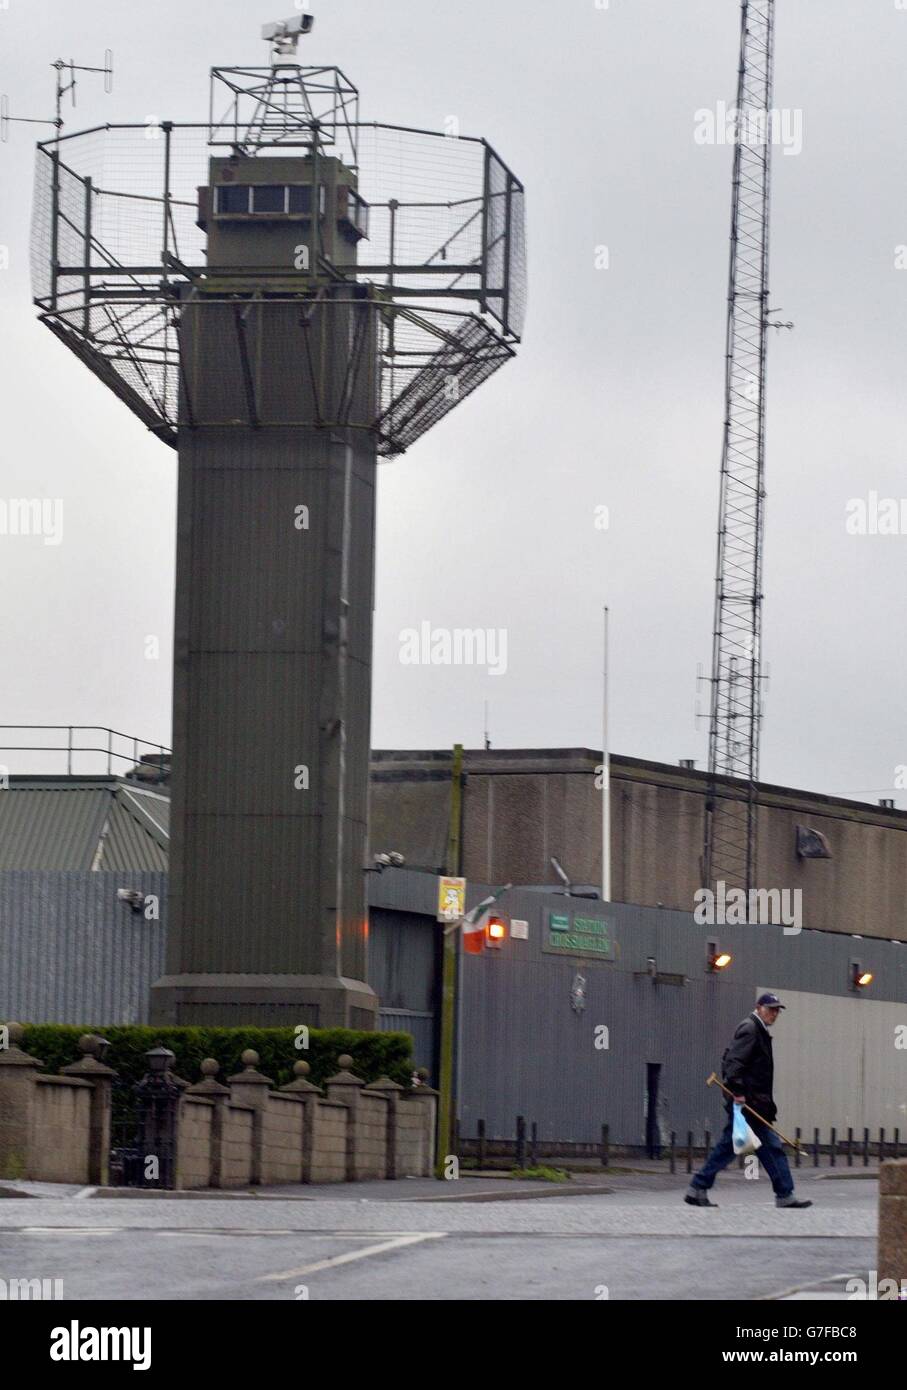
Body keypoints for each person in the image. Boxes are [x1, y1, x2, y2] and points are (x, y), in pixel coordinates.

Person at [685, 993, 812, 1209]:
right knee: (769, 1147)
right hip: (749, 1104)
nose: (774, 1014)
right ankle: (784, 1194)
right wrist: (738, 1091)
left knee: (731, 1147)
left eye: (777, 1010)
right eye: (771, 1009)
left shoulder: (757, 1030)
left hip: (752, 1103)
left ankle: (697, 1187)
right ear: (759, 1007)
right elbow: (734, 1062)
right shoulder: (751, 1029)